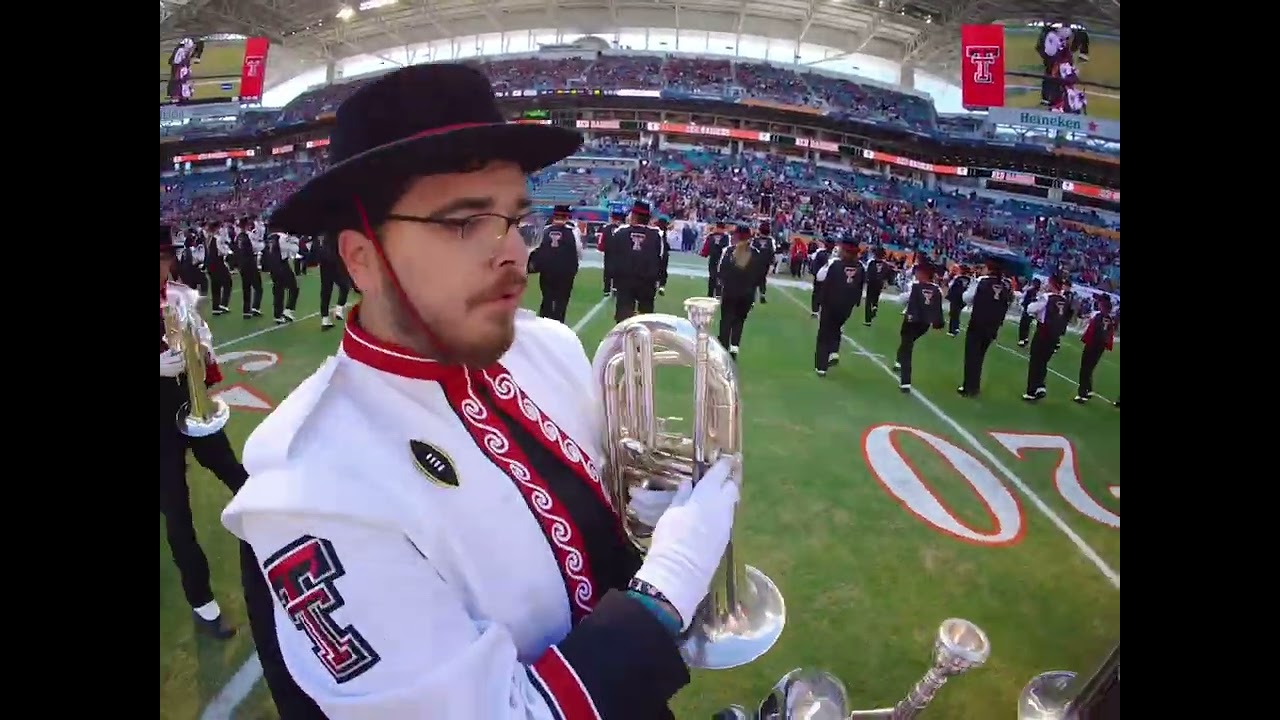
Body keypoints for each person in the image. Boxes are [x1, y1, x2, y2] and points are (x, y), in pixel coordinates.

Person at [222, 64, 741, 720]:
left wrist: (645, 518)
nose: (515, 254)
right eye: (465, 223)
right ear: (362, 258)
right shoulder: (309, 484)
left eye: (515, 218)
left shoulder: (547, 346)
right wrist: (664, 591)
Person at [159, 225, 244, 640]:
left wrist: (199, 348)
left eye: (163, 259)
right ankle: (201, 600)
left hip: (190, 403)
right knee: (178, 513)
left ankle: (274, 537)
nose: (162, 267)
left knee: (237, 475)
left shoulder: (180, 294)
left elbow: (203, 334)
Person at [957, 255, 1014, 397]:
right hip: (993, 324)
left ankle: (968, 386)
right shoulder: (1005, 284)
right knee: (981, 355)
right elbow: (1008, 301)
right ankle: (975, 386)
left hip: (978, 320)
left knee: (972, 354)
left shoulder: (982, 281)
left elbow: (967, 297)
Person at [716, 223, 771, 358]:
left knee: (726, 319)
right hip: (747, 293)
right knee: (739, 319)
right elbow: (760, 274)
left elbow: (720, 271)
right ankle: (735, 346)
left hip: (730, 291)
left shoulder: (729, 251)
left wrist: (722, 286)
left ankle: (723, 346)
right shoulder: (755, 253)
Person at [812, 238, 864, 376]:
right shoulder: (860, 267)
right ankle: (834, 351)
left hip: (830, 303)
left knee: (824, 333)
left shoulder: (835, 264)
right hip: (846, 306)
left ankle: (821, 366)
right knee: (836, 328)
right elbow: (859, 288)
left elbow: (820, 277)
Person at [607, 200, 664, 322]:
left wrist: (612, 280)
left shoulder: (620, 232)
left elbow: (612, 257)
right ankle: (643, 339)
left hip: (625, 279)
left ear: (634, 216)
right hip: (647, 281)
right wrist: (660, 281)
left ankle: (623, 339)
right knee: (646, 317)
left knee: (623, 316)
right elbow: (661, 259)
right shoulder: (656, 234)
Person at [893, 260, 945, 392]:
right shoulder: (937, 289)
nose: (916, 273)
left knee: (907, 348)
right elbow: (938, 308)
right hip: (924, 324)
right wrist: (938, 323)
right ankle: (898, 362)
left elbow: (901, 299)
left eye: (918, 271)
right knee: (907, 344)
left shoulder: (915, 286)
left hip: (911, 321)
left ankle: (905, 381)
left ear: (924, 273)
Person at [1023, 273, 1070, 401]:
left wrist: (1038, 299)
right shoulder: (1065, 301)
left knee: (1035, 360)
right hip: (1054, 335)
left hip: (1043, 332)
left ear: (1051, 283)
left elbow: (1030, 309)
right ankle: (1040, 386)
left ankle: (1032, 391)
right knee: (1043, 361)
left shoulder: (1046, 297)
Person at [532, 204, 581, 323]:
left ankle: (544, 321)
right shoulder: (573, 231)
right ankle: (558, 323)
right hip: (565, 271)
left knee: (547, 297)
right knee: (561, 300)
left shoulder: (545, 230)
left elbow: (537, 248)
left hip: (547, 270)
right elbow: (578, 250)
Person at [1074, 294, 1116, 403]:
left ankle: (1082, 393)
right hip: (1100, 346)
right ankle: (1088, 389)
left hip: (1093, 345)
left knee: (1085, 369)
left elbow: (1092, 331)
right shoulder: (1110, 319)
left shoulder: (1099, 317)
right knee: (1090, 368)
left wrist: (1085, 339)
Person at [699, 219, 731, 298]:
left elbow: (727, 247)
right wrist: (704, 253)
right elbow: (707, 246)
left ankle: (718, 293)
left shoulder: (726, 237)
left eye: (720, 228)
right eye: (718, 227)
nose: (718, 229)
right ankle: (710, 294)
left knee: (720, 276)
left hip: (722, 259)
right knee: (712, 276)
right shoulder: (711, 236)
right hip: (713, 259)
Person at [598, 208, 626, 296]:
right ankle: (615, 288)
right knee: (618, 270)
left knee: (608, 271)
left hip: (609, 252)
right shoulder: (623, 229)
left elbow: (602, 240)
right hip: (619, 253)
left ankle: (607, 289)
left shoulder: (606, 228)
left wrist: (602, 248)